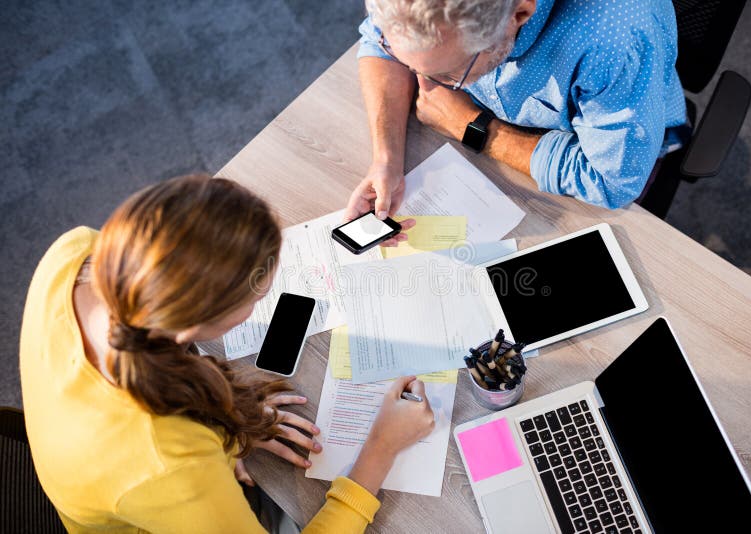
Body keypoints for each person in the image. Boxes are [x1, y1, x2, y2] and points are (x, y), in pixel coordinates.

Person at [19, 174, 435, 533]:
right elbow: (168, 463)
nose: (260, 302)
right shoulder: (169, 463)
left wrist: (226, 431)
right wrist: (380, 448)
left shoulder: (73, 253)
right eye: (257, 296)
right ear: (186, 328)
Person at [345, 0, 689, 228]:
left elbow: (613, 181)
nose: (425, 82)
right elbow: (378, 44)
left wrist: (469, 126)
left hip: (603, 150)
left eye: (450, 74)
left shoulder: (615, 40)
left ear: (520, 13)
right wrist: (386, 159)